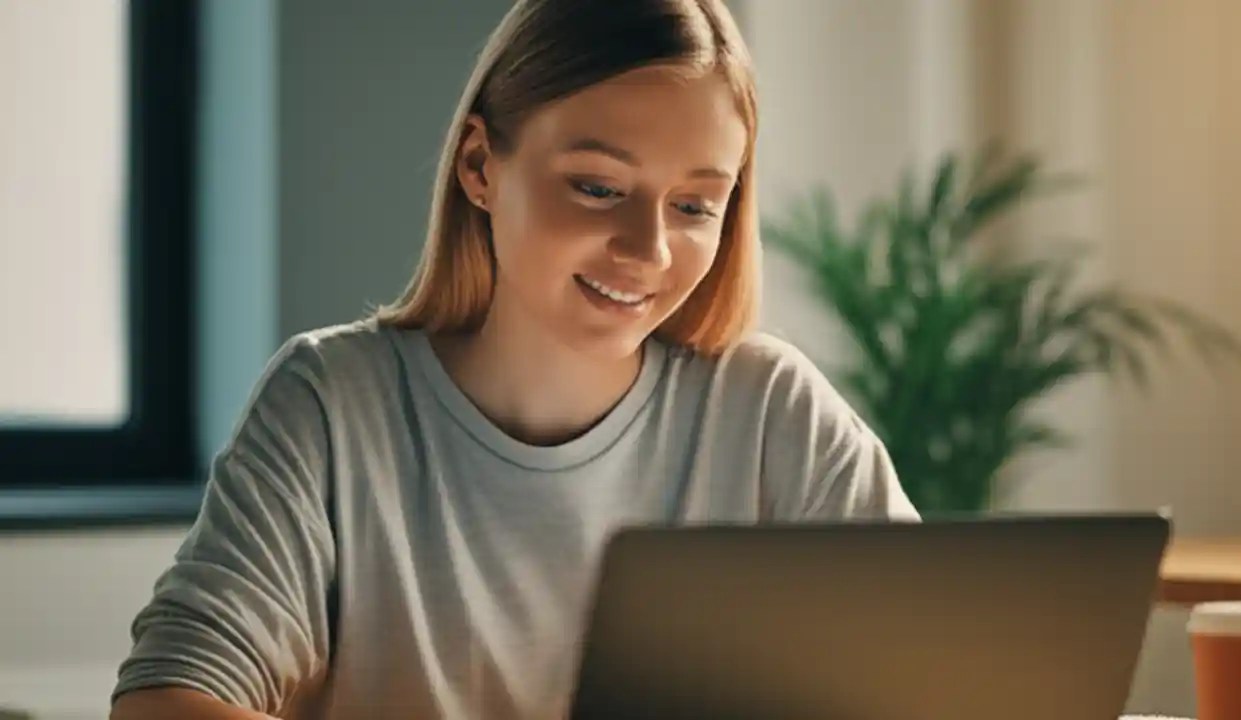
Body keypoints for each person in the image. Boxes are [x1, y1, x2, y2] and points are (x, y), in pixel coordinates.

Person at [109, 1, 918, 718]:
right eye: (599, 188)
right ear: (479, 167)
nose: (649, 248)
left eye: (694, 206)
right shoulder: (332, 402)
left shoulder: (774, 411)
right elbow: (166, 701)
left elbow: (935, 675)